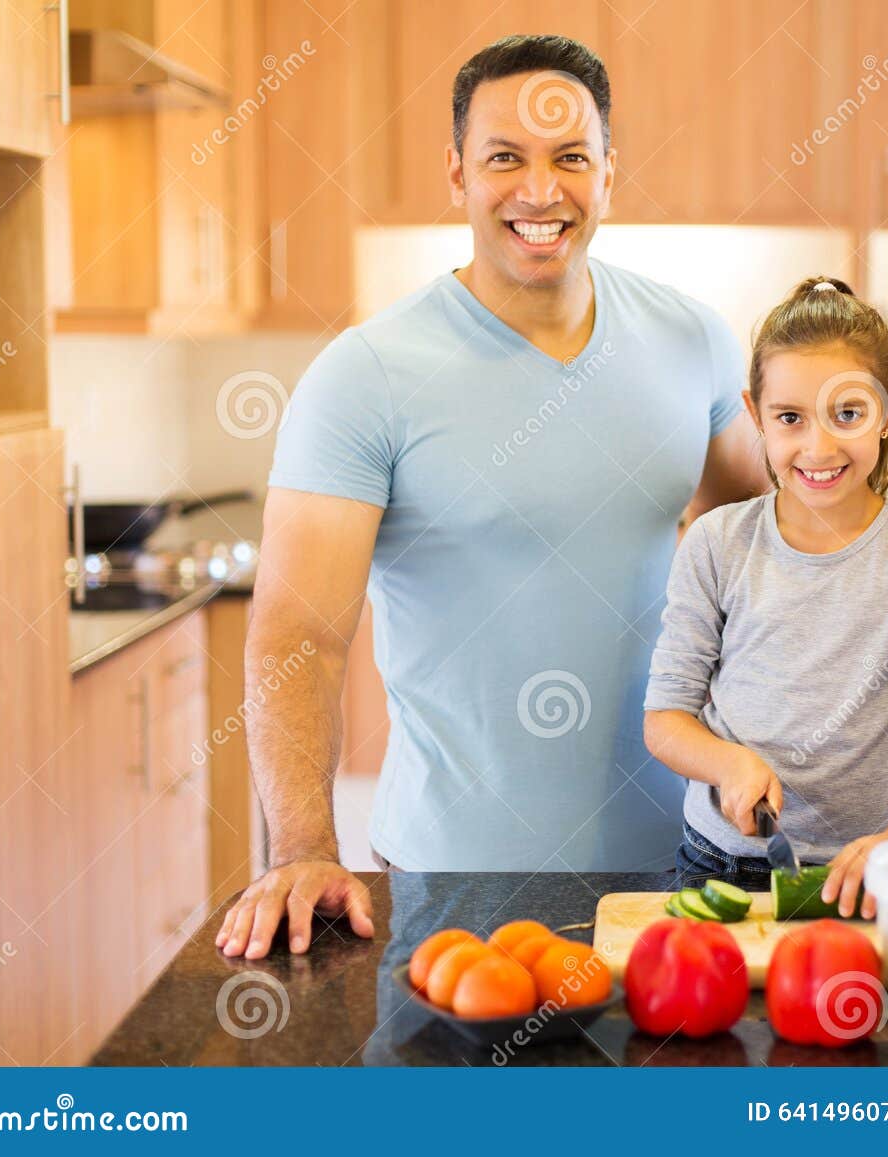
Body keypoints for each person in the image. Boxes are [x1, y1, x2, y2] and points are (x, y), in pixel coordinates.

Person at [216, 35, 763, 960]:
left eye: (570, 158)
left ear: (609, 173)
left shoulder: (693, 340)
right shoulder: (367, 374)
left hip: (679, 867)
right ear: (457, 172)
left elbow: (766, 534)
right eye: (505, 157)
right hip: (451, 880)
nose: (540, 191)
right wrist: (303, 848)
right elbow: (298, 633)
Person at [643, 277, 888, 919]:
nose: (819, 448)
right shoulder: (716, 542)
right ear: (755, 416)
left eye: (848, 414)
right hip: (721, 863)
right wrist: (727, 764)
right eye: (790, 418)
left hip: (868, 870)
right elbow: (665, 720)